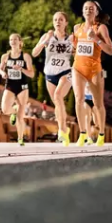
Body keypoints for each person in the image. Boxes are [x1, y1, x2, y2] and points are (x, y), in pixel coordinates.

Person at [72, 1, 112, 147]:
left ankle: (101, 134)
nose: (88, 10)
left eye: (91, 8)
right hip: (78, 68)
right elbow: (76, 48)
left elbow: (110, 50)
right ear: (82, 12)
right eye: (85, 8)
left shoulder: (100, 28)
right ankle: (83, 133)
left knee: (98, 104)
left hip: (95, 70)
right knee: (79, 99)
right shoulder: (77, 28)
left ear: (96, 12)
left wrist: (95, 39)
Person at [32, 11, 73, 146]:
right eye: (55, 19)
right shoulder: (47, 36)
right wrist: (44, 41)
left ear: (66, 22)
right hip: (50, 75)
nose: (57, 22)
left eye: (61, 19)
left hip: (65, 73)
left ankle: (62, 131)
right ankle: (64, 129)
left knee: (57, 95)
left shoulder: (71, 38)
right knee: (57, 102)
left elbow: (79, 53)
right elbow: (34, 53)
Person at [0, 33, 35, 146]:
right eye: (11, 40)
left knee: (21, 115)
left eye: (15, 39)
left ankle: (20, 138)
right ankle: (13, 111)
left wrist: (21, 69)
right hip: (10, 84)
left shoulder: (25, 56)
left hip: (22, 86)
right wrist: (2, 73)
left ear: (20, 42)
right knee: (4, 110)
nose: (13, 41)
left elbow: (32, 74)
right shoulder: (5, 56)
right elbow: (0, 69)